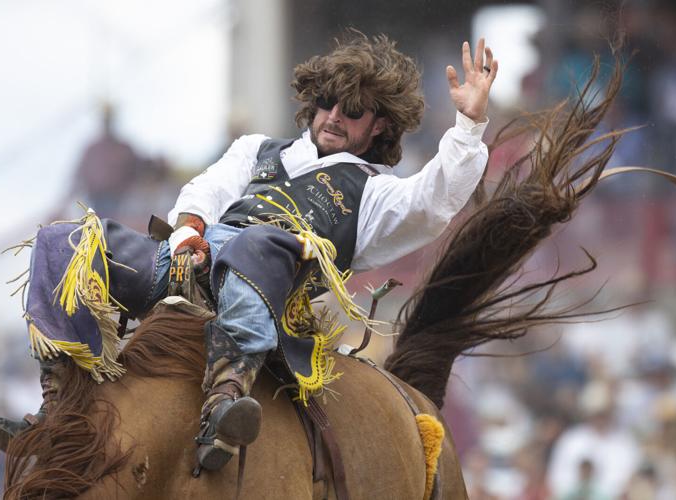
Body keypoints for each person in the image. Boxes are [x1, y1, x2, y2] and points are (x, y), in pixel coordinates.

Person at [167, 31, 497, 470]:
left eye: (354, 109)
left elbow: (433, 201)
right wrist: (188, 233)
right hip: (193, 262)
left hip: (269, 292)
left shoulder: (375, 192)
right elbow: (206, 190)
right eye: (327, 101)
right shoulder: (255, 149)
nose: (335, 116)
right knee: (86, 240)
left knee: (258, 242)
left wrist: (469, 125)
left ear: (379, 125)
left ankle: (227, 396)